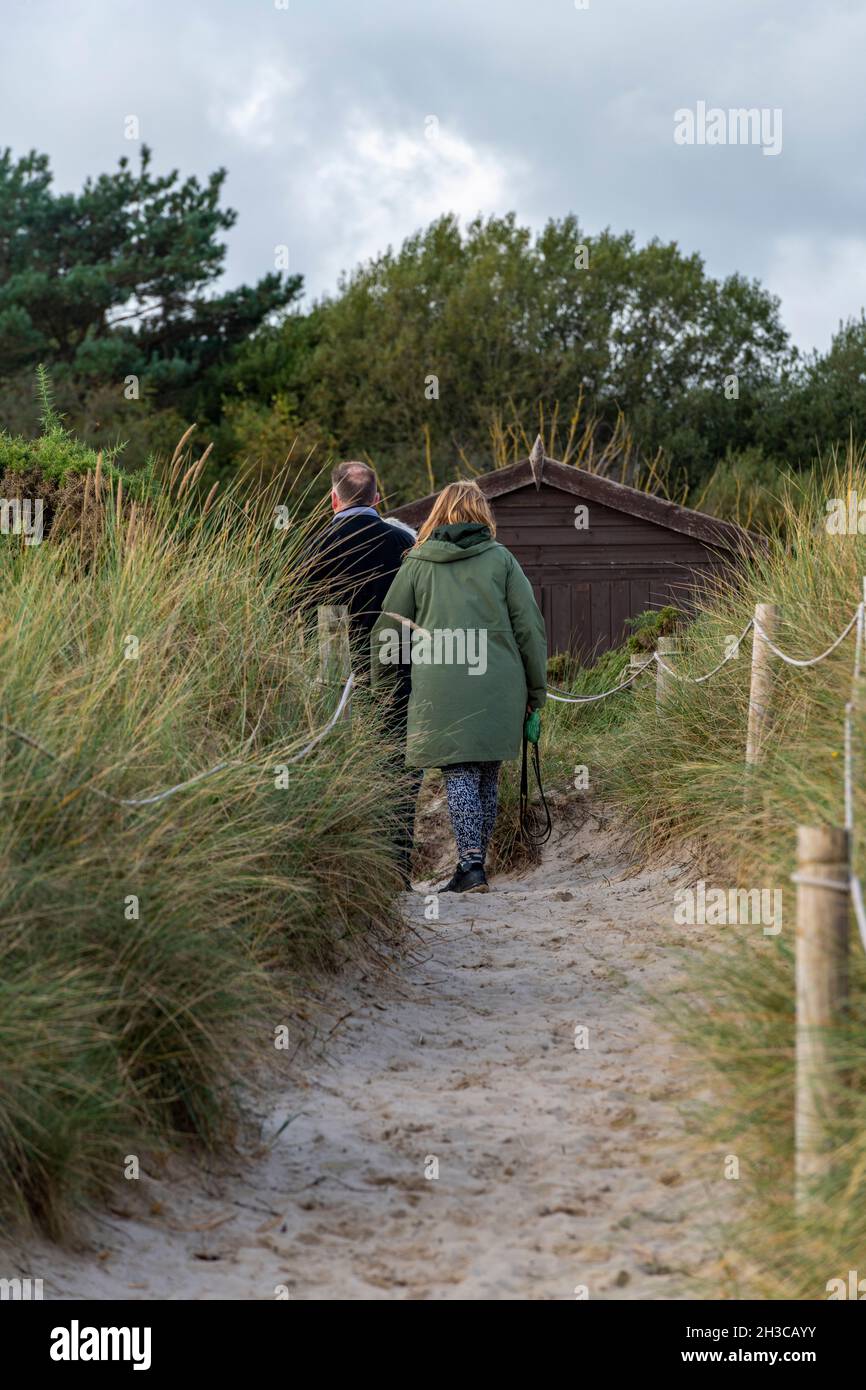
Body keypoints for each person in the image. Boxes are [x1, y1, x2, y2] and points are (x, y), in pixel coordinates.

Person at [371, 479, 547, 894]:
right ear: (482, 514)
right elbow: (530, 630)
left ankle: (471, 867)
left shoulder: (416, 562)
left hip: (441, 683)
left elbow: (387, 628)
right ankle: (473, 865)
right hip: (499, 683)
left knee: (461, 771)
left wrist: (382, 689)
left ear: (439, 513)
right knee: (486, 772)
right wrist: (536, 692)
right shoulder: (502, 561)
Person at [303, 460, 420, 884]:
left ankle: (353, 871)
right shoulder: (403, 540)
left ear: (333, 498)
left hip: (332, 669)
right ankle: (396, 869)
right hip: (394, 665)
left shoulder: (313, 543)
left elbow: (298, 612)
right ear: (378, 497)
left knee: (340, 763)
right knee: (398, 765)